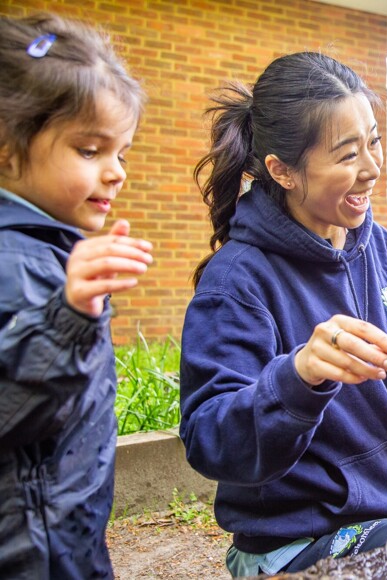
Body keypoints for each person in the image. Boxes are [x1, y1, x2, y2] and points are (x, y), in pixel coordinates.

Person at [179, 52, 387, 577]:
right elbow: (209, 439)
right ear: (283, 171)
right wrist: (301, 375)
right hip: (294, 537)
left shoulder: (379, 246)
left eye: (374, 141)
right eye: (345, 155)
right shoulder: (237, 282)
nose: (371, 168)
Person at [0, 13, 151, 578]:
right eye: (90, 150)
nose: (115, 173)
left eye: (122, 153)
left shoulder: (49, 252)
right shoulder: (14, 261)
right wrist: (66, 317)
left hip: (62, 532)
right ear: (6, 148)